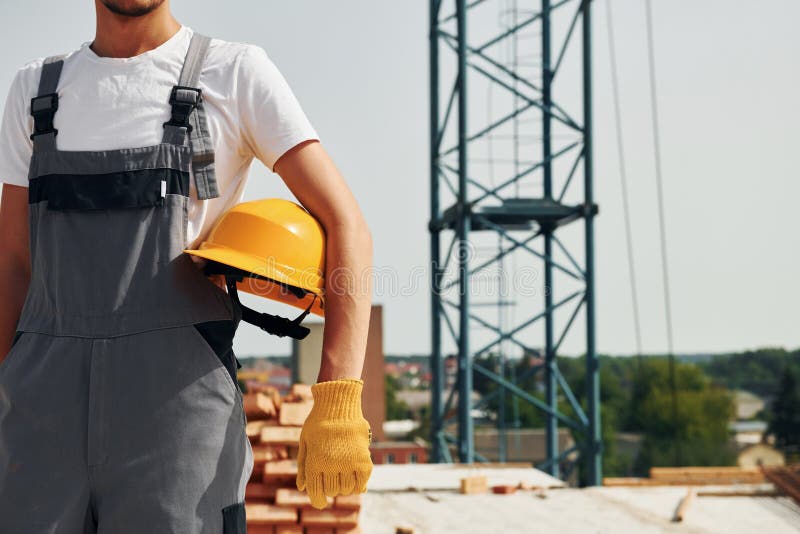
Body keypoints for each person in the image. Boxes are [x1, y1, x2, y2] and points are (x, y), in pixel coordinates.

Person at [0, 0, 373, 531]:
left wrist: (338, 393)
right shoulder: (35, 92)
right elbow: (13, 262)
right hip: (40, 422)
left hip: (176, 424)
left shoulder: (233, 73)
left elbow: (347, 225)